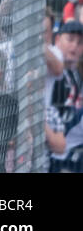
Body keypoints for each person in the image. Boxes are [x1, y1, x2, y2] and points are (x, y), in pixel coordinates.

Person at [45, 19, 83, 171]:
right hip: (51, 147)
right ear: (58, 39)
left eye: (80, 42)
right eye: (70, 39)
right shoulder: (54, 59)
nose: (74, 46)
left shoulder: (76, 73)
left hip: (68, 149)